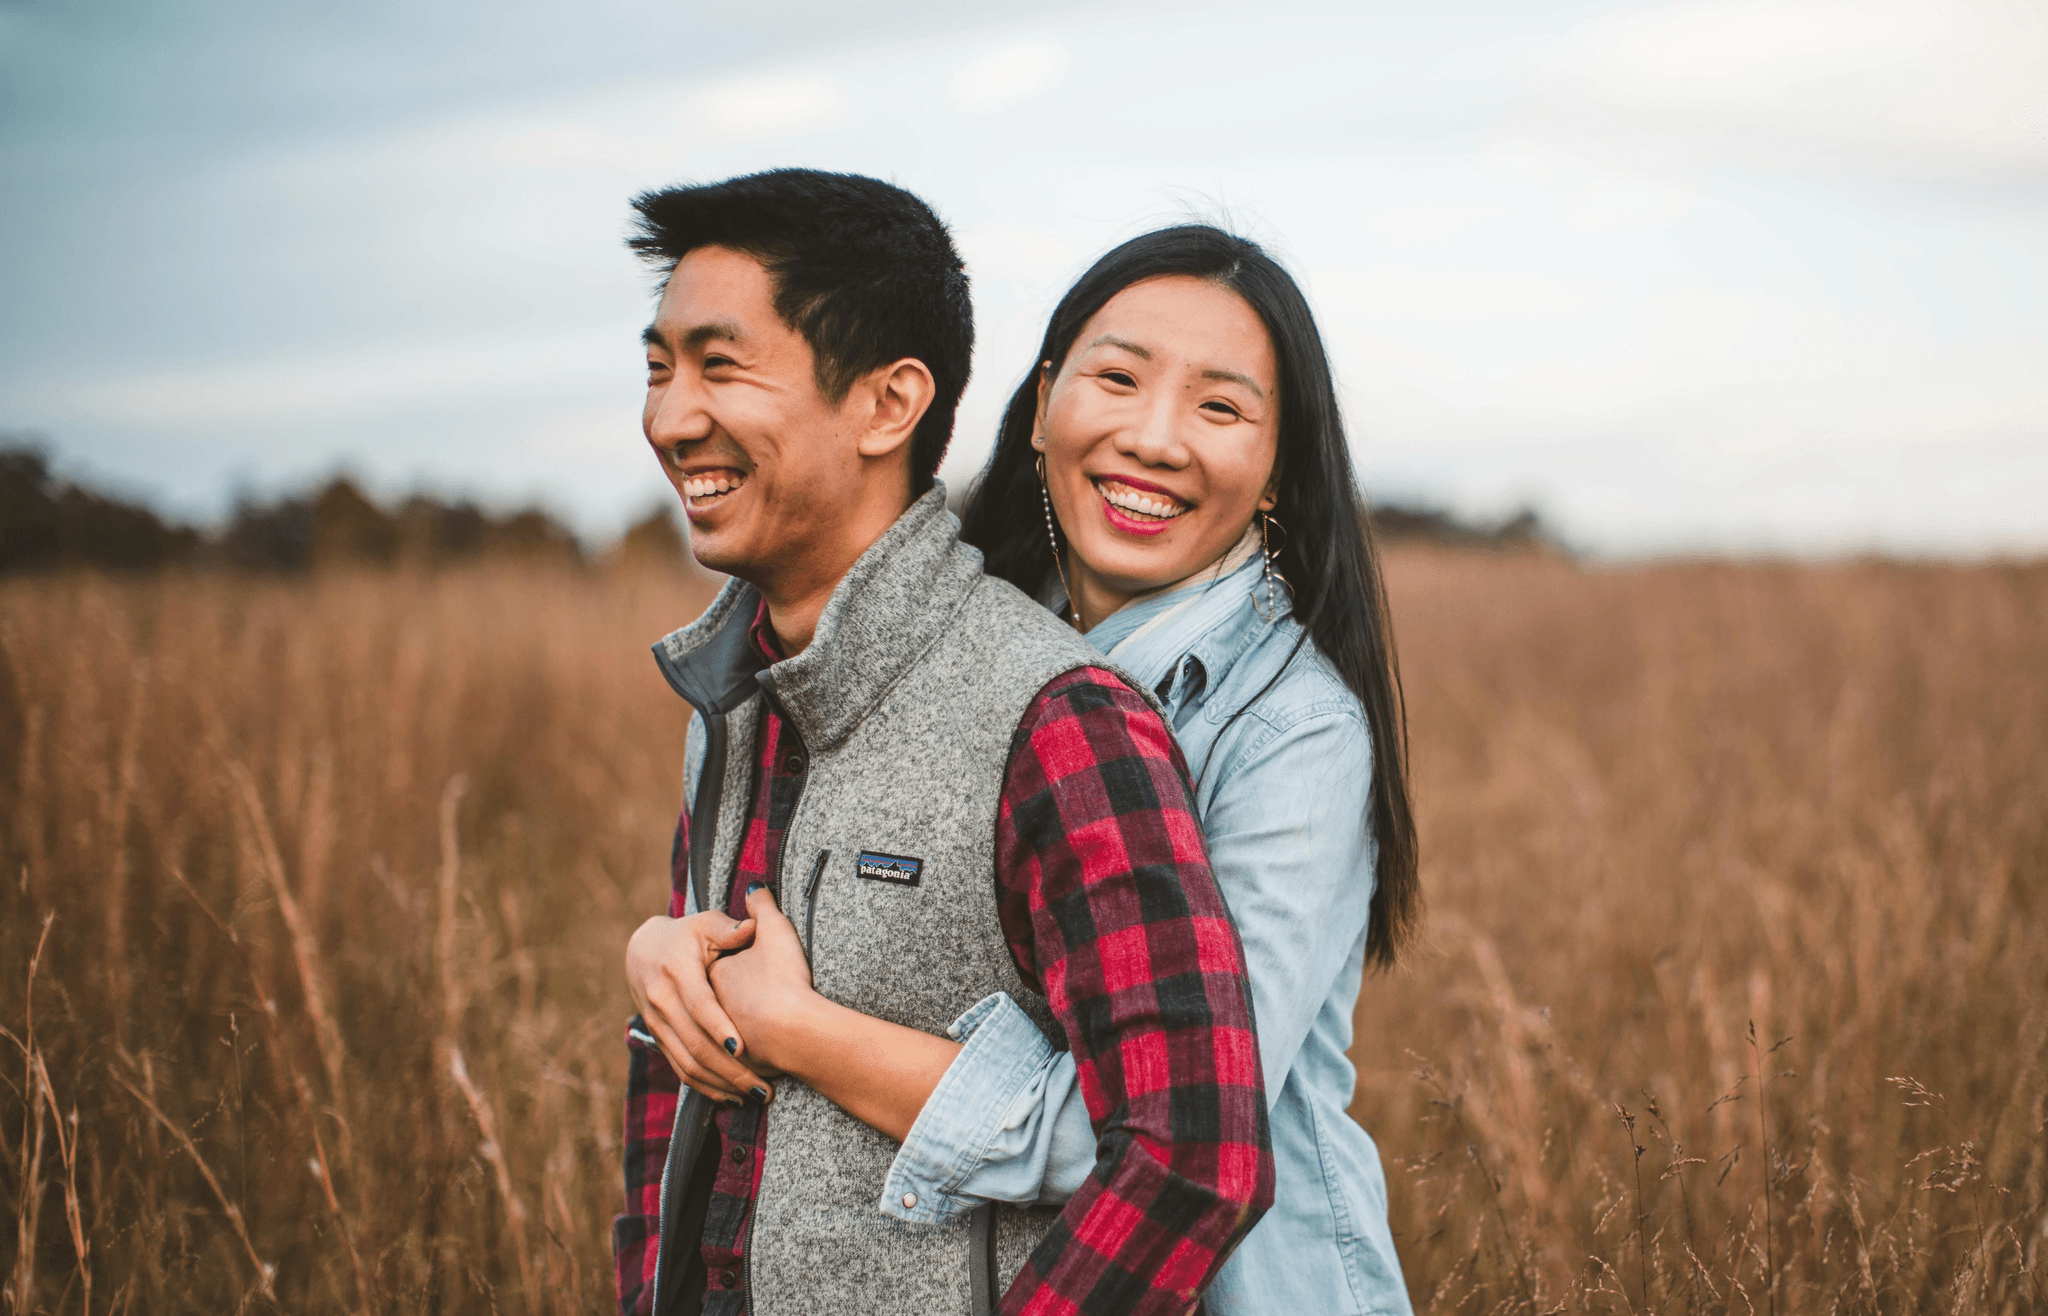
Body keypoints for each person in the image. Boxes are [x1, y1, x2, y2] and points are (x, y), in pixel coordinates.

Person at [681, 224, 1422, 1313]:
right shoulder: (959, 664)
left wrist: (801, 1033)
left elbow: (1160, 1129)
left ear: (1277, 470)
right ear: (1038, 409)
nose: (1154, 437)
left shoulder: (1292, 732)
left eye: (1218, 407)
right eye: (1115, 378)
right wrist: (677, 950)